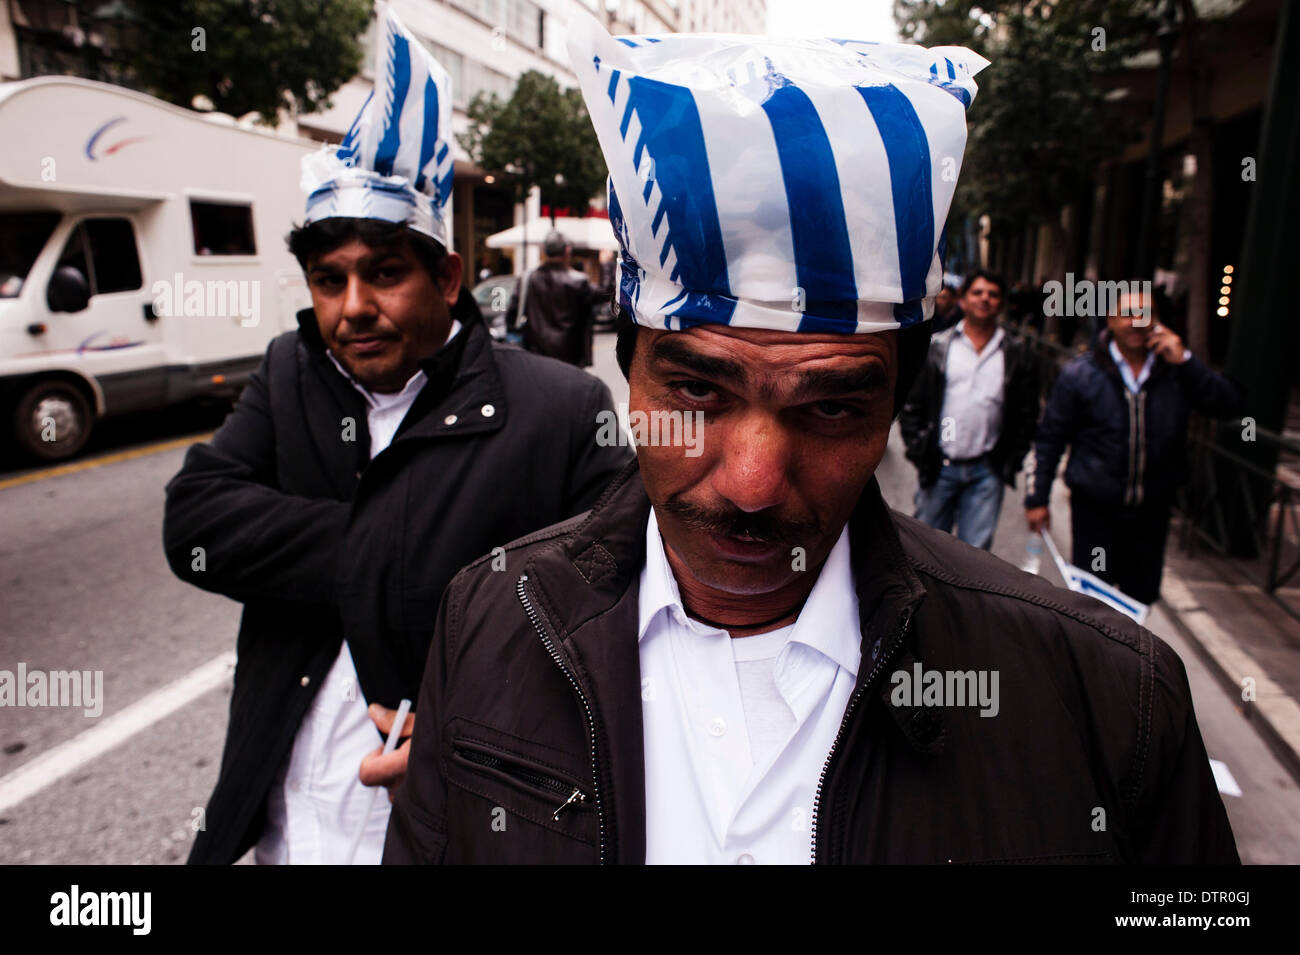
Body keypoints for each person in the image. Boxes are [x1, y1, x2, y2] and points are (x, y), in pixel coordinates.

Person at [382, 22, 1237, 865]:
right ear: (629, 373)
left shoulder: (1106, 701)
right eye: (697, 391)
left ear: (893, 405)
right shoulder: (487, 621)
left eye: (830, 408)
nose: (754, 483)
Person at [162, 9, 630, 866]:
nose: (351, 308)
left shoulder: (561, 409)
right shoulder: (289, 372)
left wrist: (474, 718)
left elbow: (611, 616)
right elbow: (194, 523)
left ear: (447, 277)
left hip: (449, 814)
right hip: (283, 813)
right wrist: (431, 550)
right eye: (328, 279)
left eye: (384, 273)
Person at [1025, 287, 1244, 605]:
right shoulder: (1080, 374)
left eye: (1146, 314)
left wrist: (1185, 361)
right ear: (1110, 320)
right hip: (1095, 513)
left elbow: (1228, 405)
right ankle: (1094, 656)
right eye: (1128, 313)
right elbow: (1050, 438)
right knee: (1092, 602)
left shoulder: (1175, 373)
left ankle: (1130, 657)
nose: (1136, 322)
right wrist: (1037, 498)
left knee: (1137, 602)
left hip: (1150, 516)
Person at [899, 270, 1039, 550]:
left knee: (975, 558)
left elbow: (1027, 413)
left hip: (986, 472)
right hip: (939, 467)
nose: (985, 299)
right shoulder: (938, 346)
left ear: (1001, 303)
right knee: (926, 551)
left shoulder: (1016, 353)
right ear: (963, 300)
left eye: (993, 294)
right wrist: (918, 448)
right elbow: (913, 404)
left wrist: (1011, 459)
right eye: (977, 292)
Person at [507, 229, 596, 366]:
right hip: (569, 357)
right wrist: (607, 265)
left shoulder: (528, 279)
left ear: (545, 251)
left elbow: (511, 316)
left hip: (535, 355)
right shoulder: (578, 281)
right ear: (567, 251)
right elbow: (603, 295)